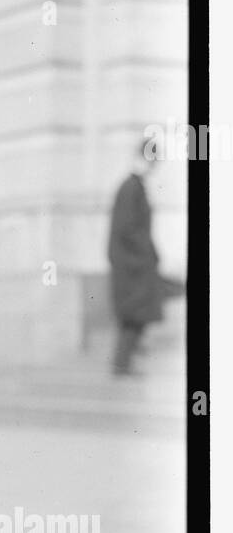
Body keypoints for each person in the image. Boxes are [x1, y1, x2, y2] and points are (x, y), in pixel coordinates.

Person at [107, 135, 167, 376]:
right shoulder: (131, 187)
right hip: (132, 266)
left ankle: (124, 362)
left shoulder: (135, 186)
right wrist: (146, 256)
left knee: (136, 314)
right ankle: (122, 364)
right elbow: (128, 229)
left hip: (136, 264)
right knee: (134, 315)